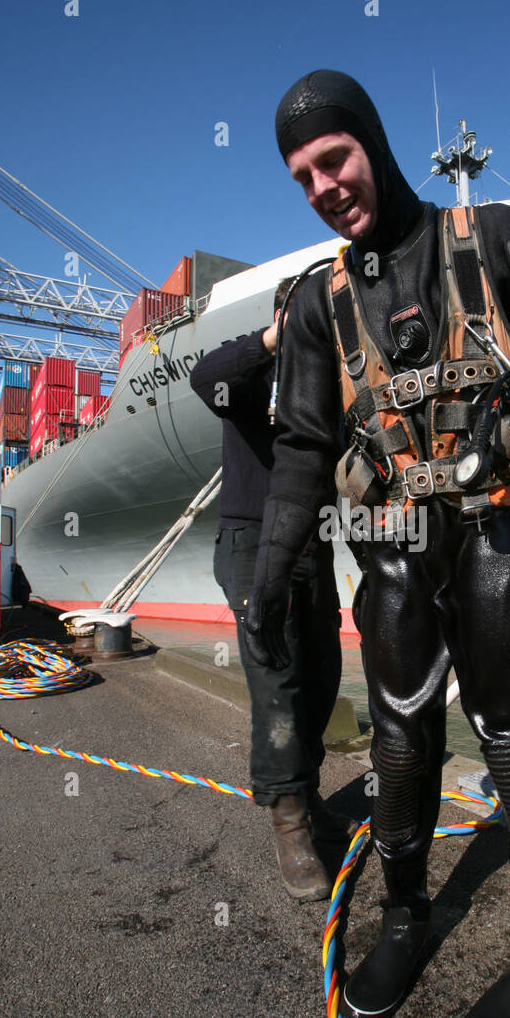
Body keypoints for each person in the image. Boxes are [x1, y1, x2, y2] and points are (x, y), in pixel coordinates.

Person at [244, 70, 510, 1018]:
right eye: (301, 176)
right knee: (396, 744)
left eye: (331, 159)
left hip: (496, 539)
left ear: (371, 143)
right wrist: (268, 570)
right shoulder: (315, 306)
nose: (322, 186)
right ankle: (403, 916)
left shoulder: (493, 239)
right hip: (387, 552)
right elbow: (299, 449)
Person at [189, 278, 342, 901]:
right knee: (278, 681)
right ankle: (289, 821)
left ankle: (305, 790)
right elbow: (206, 378)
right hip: (253, 543)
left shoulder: (333, 378)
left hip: (314, 543)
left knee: (324, 675)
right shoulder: (250, 371)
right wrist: (279, 336)